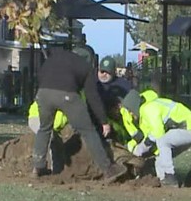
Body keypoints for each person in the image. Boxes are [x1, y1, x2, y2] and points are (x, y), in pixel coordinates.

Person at [32, 47, 127, 182]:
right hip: (67, 95)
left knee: (44, 128)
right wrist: (104, 122)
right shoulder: (86, 66)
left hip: (43, 93)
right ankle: (108, 169)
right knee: (88, 131)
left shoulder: (55, 57)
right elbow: (92, 96)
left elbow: (40, 76)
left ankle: (37, 167)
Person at [130, 90, 191, 188]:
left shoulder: (148, 109)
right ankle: (163, 180)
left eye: (130, 111)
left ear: (134, 106)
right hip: (186, 128)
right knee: (161, 153)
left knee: (163, 141)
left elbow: (158, 133)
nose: (130, 114)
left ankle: (170, 176)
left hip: (190, 128)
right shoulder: (150, 106)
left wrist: (141, 148)